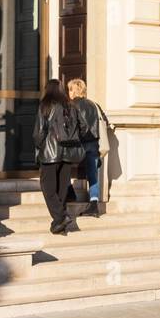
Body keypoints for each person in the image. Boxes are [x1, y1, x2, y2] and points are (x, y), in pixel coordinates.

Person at [33, 79, 84, 235]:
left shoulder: (46, 105)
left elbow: (39, 132)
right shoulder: (71, 106)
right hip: (67, 154)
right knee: (61, 189)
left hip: (50, 154)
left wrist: (39, 146)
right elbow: (83, 128)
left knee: (48, 188)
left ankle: (61, 217)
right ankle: (58, 224)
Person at [68, 78, 112, 217]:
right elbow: (104, 121)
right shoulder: (94, 105)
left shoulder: (71, 105)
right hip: (94, 143)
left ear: (74, 91)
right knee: (93, 175)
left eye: (69, 89)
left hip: (77, 144)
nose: (68, 92)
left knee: (65, 167)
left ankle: (69, 194)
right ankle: (94, 204)